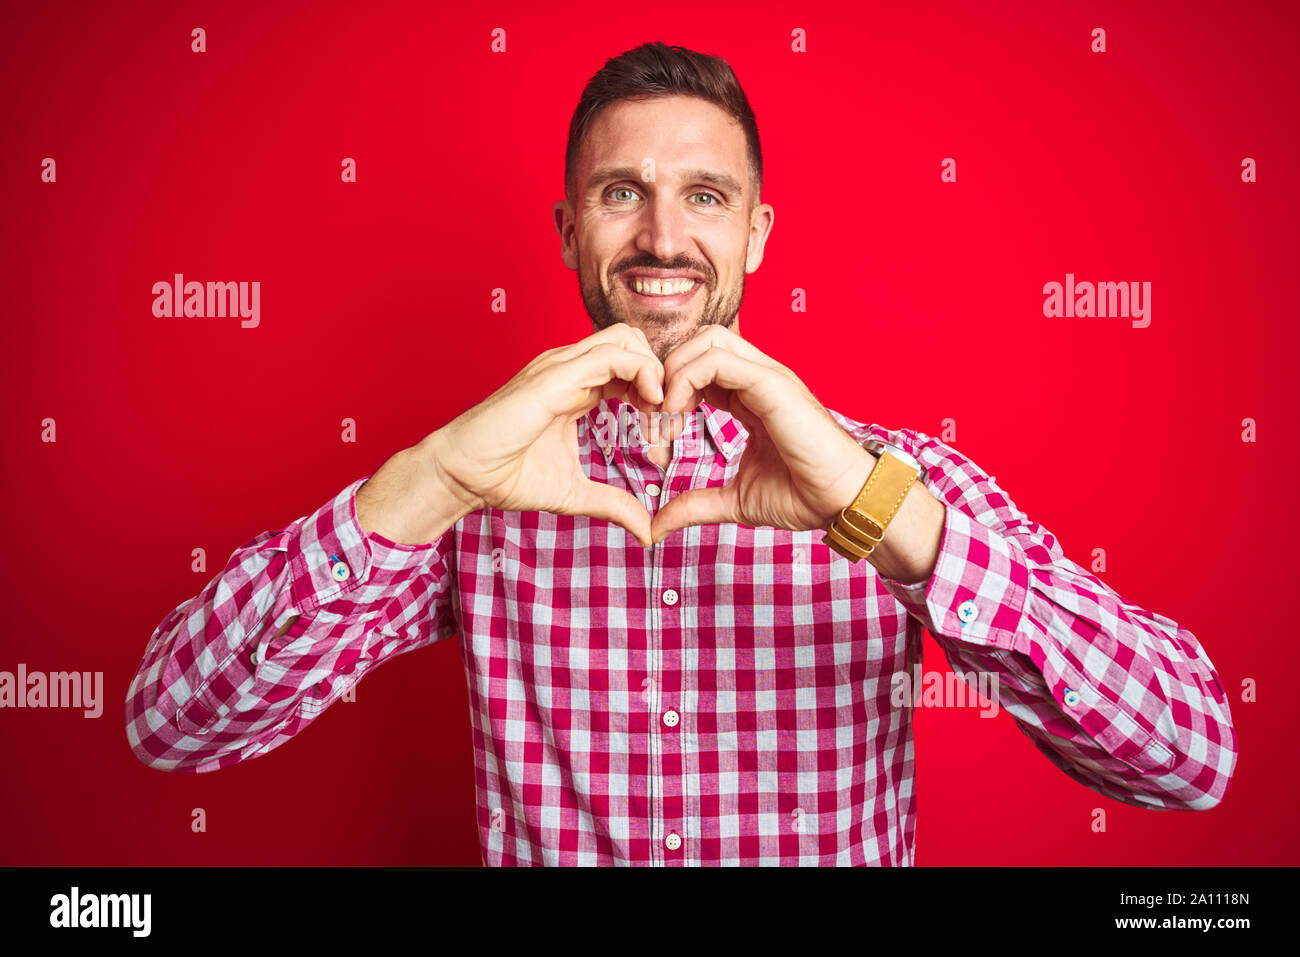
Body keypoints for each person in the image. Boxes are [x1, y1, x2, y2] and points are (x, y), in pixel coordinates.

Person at [125, 40, 1237, 866]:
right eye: (622, 194)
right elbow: (172, 724)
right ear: (568, 229)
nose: (662, 238)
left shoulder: (892, 483)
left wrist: (883, 519)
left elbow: (1188, 757)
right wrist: (430, 479)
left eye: (704, 196)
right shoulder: (485, 486)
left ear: (755, 231)